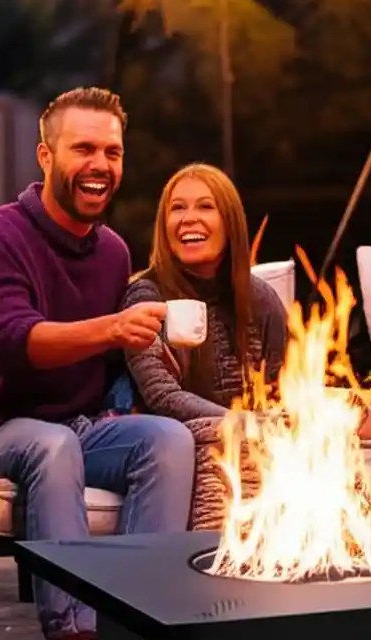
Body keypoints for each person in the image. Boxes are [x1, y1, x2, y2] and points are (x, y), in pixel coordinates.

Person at [0, 87, 194, 640]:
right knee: (53, 445)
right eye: (83, 149)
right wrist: (113, 327)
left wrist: (155, 355)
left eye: (112, 152)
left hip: (87, 426)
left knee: (168, 439)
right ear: (46, 157)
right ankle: (75, 635)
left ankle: (141, 621)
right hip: (5, 429)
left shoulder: (113, 250)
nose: (100, 165)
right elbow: (16, 346)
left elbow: (114, 360)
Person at [120, 163, 287, 530]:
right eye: (177, 208)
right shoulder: (145, 296)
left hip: (256, 443)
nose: (188, 218)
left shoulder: (260, 300)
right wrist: (242, 424)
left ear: (230, 222)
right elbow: (161, 395)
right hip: (181, 443)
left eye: (205, 206)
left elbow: (280, 388)